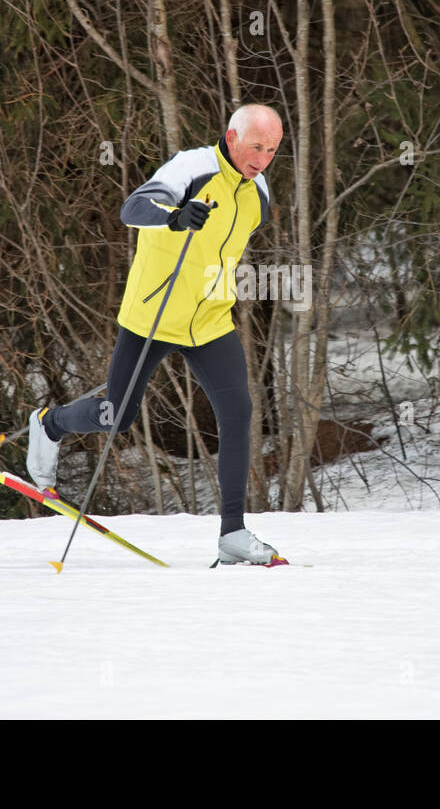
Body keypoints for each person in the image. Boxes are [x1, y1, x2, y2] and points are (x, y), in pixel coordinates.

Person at [27, 104, 286, 566]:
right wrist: (175, 216)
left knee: (238, 410)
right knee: (117, 416)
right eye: (256, 147)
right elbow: (132, 208)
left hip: (209, 322)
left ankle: (233, 533)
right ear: (231, 138)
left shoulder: (258, 193)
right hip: (152, 316)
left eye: (271, 149)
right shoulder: (192, 167)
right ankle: (50, 424)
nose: (263, 159)